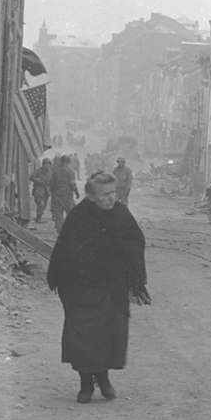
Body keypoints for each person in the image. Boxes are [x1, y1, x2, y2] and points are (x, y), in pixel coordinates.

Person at [46, 171, 152, 403]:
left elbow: (135, 241)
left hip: (112, 288)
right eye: (105, 194)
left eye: (113, 192)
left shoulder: (121, 214)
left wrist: (136, 279)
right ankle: (85, 383)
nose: (111, 198)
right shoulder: (79, 216)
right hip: (81, 288)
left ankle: (103, 379)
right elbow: (64, 250)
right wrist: (62, 278)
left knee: (108, 334)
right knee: (83, 335)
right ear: (91, 196)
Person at [49, 155, 80, 232]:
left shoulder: (55, 171)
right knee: (70, 213)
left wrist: (52, 192)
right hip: (67, 195)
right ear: (68, 162)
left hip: (57, 195)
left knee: (58, 214)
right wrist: (76, 192)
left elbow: (51, 184)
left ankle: (60, 230)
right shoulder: (70, 171)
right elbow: (72, 184)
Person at [29, 158, 53, 224]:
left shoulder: (50, 172)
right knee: (41, 204)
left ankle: (39, 217)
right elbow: (31, 177)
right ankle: (38, 219)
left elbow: (53, 180)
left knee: (44, 205)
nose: (47, 166)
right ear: (43, 164)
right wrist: (38, 181)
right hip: (38, 189)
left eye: (48, 164)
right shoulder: (38, 171)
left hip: (46, 191)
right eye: (45, 164)